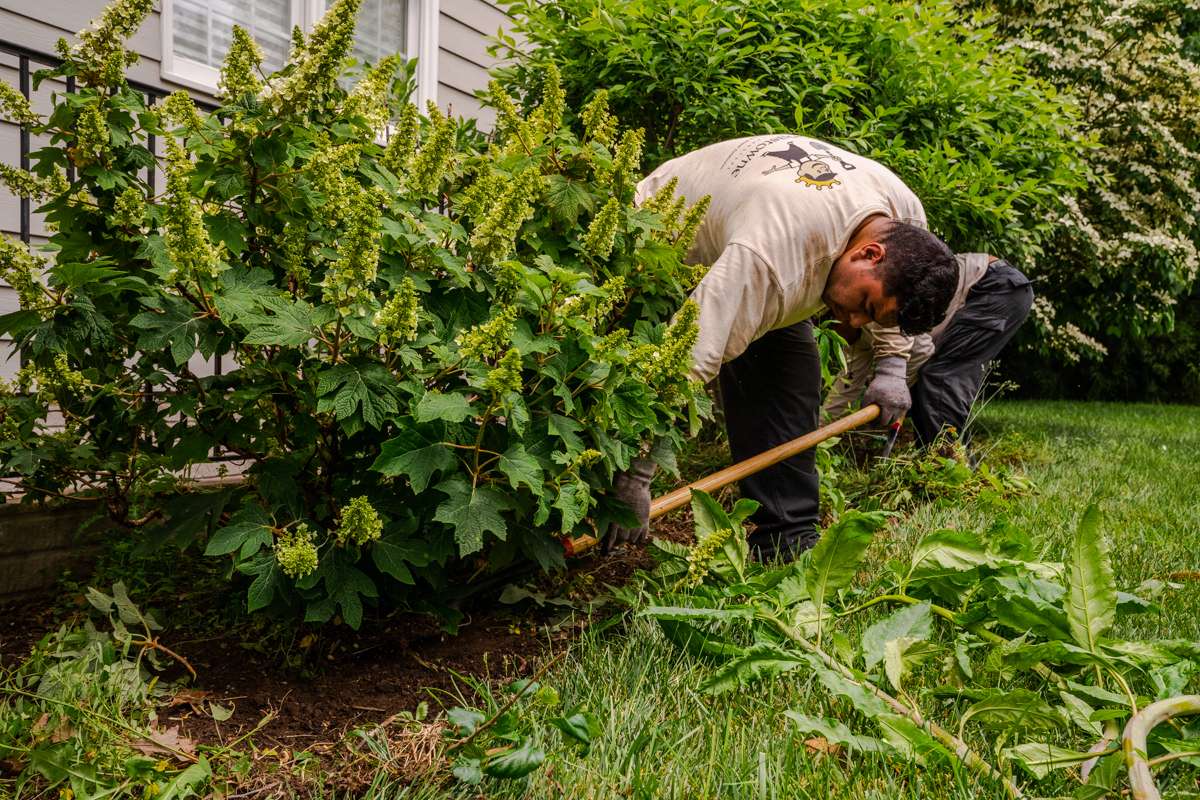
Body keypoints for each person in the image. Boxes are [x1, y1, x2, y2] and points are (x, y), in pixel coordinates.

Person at [605, 134, 959, 560]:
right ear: (869, 252)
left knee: (791, 383)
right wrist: (635, 476)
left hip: (762, 240)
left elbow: (893, 291)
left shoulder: (903, 215)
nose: (853, 323)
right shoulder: (770, 256)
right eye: (865, 306)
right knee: (614, 382)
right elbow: (683, 361)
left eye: (871, 318)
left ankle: (785, 541)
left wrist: (891, 363)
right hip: (660, 240)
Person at [822, 253, 1034, 445]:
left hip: (993, 287)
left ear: (836, 316)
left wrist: (896, 389)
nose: (833, 340)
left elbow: (922, 350)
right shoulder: (859, 342)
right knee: (931, 385)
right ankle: (935, 468)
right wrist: (818, 438)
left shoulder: (874, 308)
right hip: (999, 287)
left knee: (939, 379)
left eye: (829, 332)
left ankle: (949, 471)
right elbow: (845, 390)